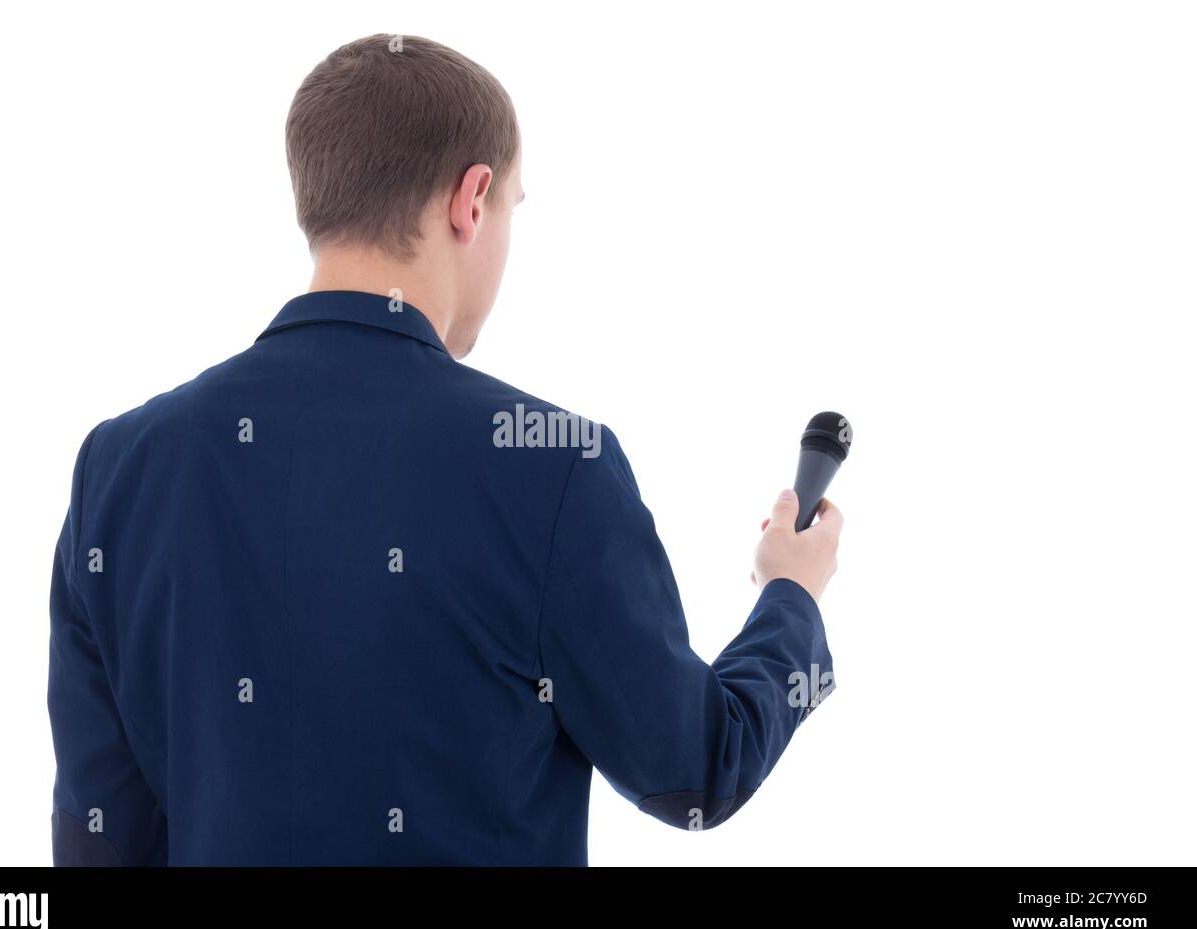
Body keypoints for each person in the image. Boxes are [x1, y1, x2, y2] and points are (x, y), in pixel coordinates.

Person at [47, 33, 843, 866]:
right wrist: (792, 595)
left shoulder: (120, 469)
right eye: (513, 209)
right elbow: (697, 770)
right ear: (472, 198)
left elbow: (99, 844)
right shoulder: (556, 465)